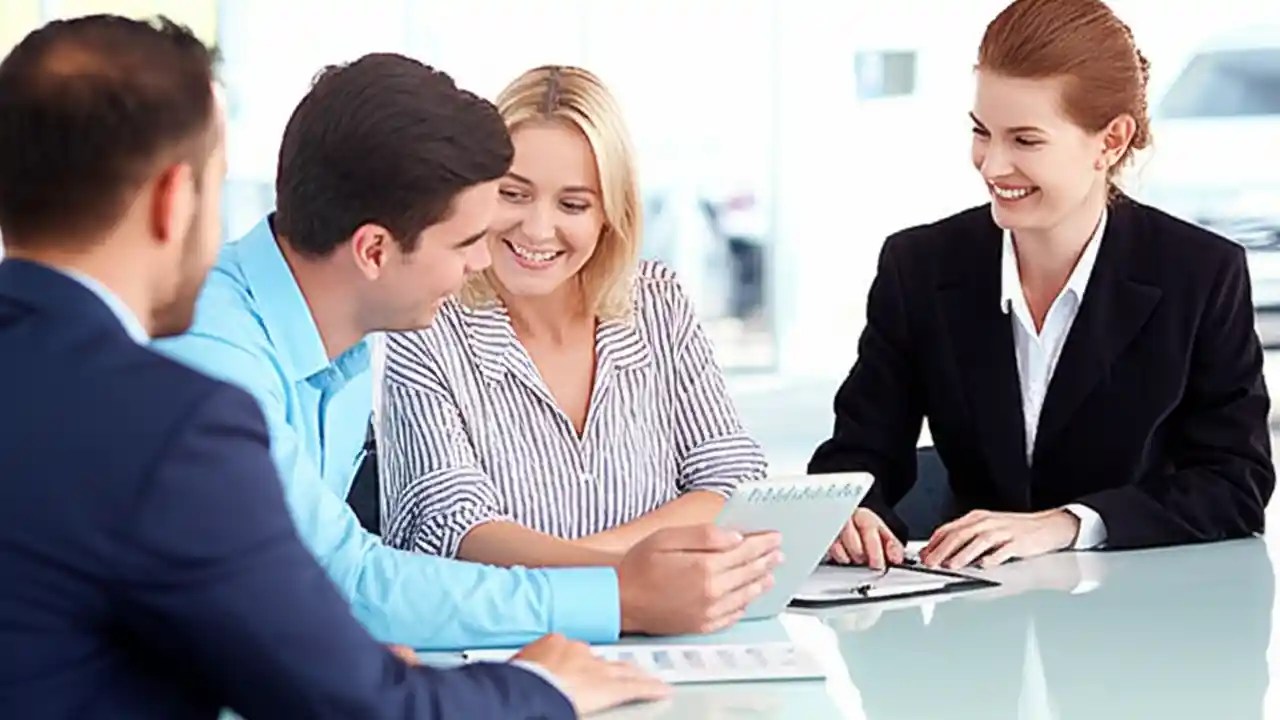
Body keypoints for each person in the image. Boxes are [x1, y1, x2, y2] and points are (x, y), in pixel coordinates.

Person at [0, 15, 668, 719]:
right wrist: (544, 685)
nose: (482, 262)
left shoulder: (341, 347)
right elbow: (353, 664)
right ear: (175, 200)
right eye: (214, 184)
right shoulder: (179, 411)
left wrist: (335, 653)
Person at [154, 54, 780, 650]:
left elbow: (318, 584)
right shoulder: (215, 359)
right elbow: (351, 583)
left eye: (571, 203)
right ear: (374, 252)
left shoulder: (344, 340)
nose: (485, 259)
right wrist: (622, 594)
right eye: (464, 242)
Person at [810, 0, 1273, 571]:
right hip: (976, 605)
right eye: (982, 132)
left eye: (1025, 141)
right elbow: (857, 453)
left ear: (1111, 141)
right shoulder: (920, 267)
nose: (991, 165)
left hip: (1140, 602)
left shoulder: (1199, 274)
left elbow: (1236, 483)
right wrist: (850, 510)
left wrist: (1067, 524)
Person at [376, 65, 767, 569]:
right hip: (505, 621)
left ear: (609, 215)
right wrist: (628, 576)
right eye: (513, 194)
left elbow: (734, 483)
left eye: (574, 204)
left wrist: (601, 572)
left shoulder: (658, 303)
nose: (538, 229)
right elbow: (453, 526)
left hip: (662, 612)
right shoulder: (425, 321)